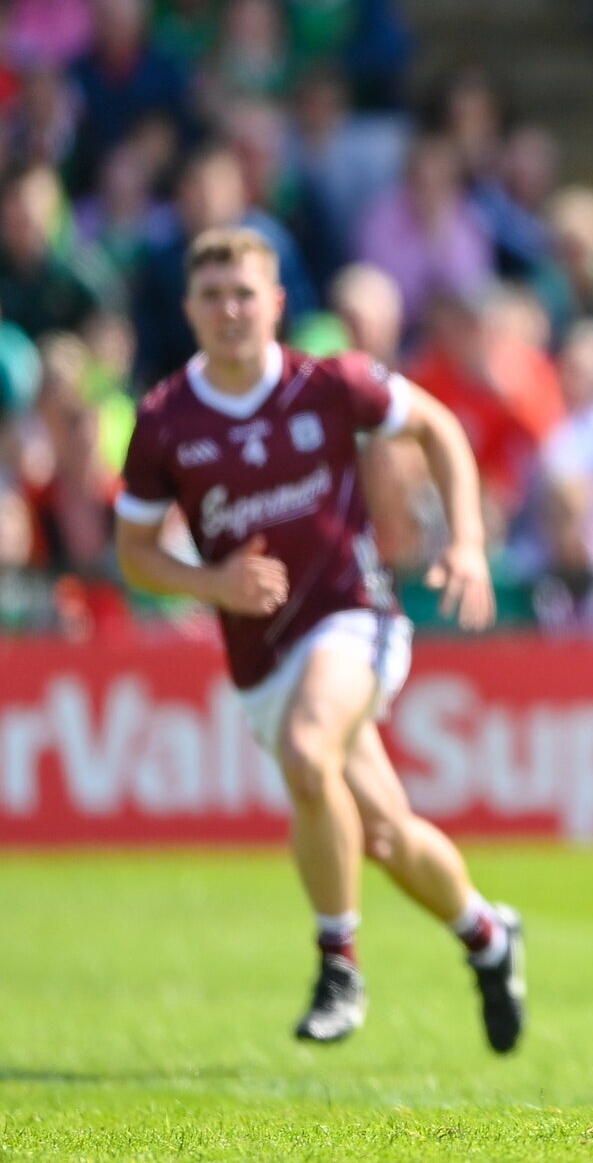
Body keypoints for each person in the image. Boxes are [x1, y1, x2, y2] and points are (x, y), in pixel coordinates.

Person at [113, 227, 526, 1051]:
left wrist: (468, 542)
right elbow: (134, 554)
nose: (230, 310)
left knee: (309, 754)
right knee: (385, 834)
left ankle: (339, 966)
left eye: (244, 294)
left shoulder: (330, 383)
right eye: (212, 296)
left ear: (275, 303)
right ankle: (488, 934)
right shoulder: (164, 420)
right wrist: (213, 584)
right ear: (189, 309)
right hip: (263, 653)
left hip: (354, 614)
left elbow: (439, 427)